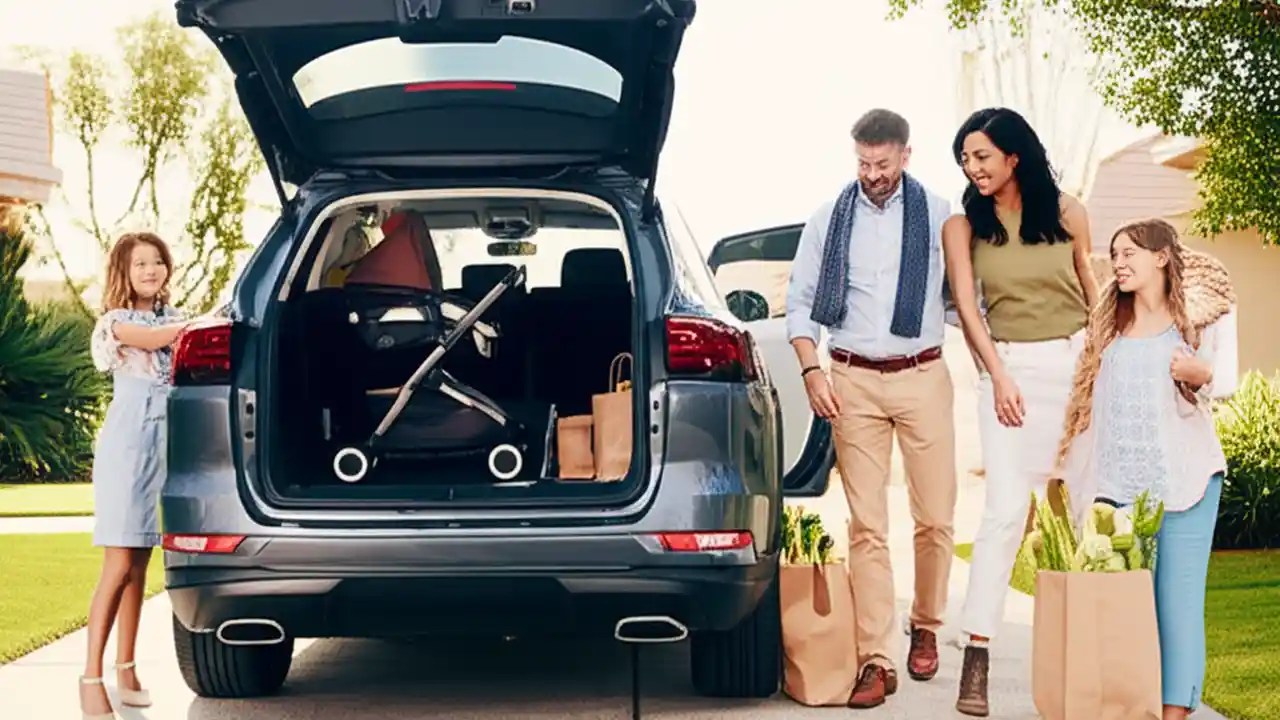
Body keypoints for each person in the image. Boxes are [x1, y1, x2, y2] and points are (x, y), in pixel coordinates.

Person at [786, 108, 957, 709]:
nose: (872, 175)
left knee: (935, 518)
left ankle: (928, 620)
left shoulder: (941, 216)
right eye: (863, 163)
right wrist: (811, 370)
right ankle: (876, 659)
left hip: (924, 374)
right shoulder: (827, 219)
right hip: (851, 378)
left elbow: (967, 300)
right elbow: (801, 303)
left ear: (906, 155)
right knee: (868, 526)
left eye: (883, 164)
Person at [941, 106, 1101, 717]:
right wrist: (997, 374)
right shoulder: (963, 227)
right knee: (1007, 512)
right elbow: (967, 305)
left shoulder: (1068, 213)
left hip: (1077, 367)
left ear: (1014, 156)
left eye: (981, 156)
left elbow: (1093, 292)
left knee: (1090, 511)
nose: (972, 167)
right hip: (1007, 373)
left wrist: (1101, 368)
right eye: (965, 159)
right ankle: (977, 653)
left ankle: (1094, 651)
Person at [1057, 219, 1237, 720]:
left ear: (1162, 257)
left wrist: (1201, 374)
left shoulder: (1200, 320)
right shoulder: (1107, 326)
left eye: (1129, 251)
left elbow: (1228, 381)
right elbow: (1085, 405)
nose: (1118, 262)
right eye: (1114, 254)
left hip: (1186, 481)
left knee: (1175, 611)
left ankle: (1174, 715)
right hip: (1117, 490)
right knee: (1122, 616)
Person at [79, 232, 192, 720]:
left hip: (165, 448)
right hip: (128, 448)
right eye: (139, 263)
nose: (150, 270)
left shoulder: (173, 318)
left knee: (141, 566)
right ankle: (90, 676)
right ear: (123, 273)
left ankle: (126, 668)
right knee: (118, 563)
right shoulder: (116, 323)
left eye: (157, 262)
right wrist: (205, 322)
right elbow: (154, 340)